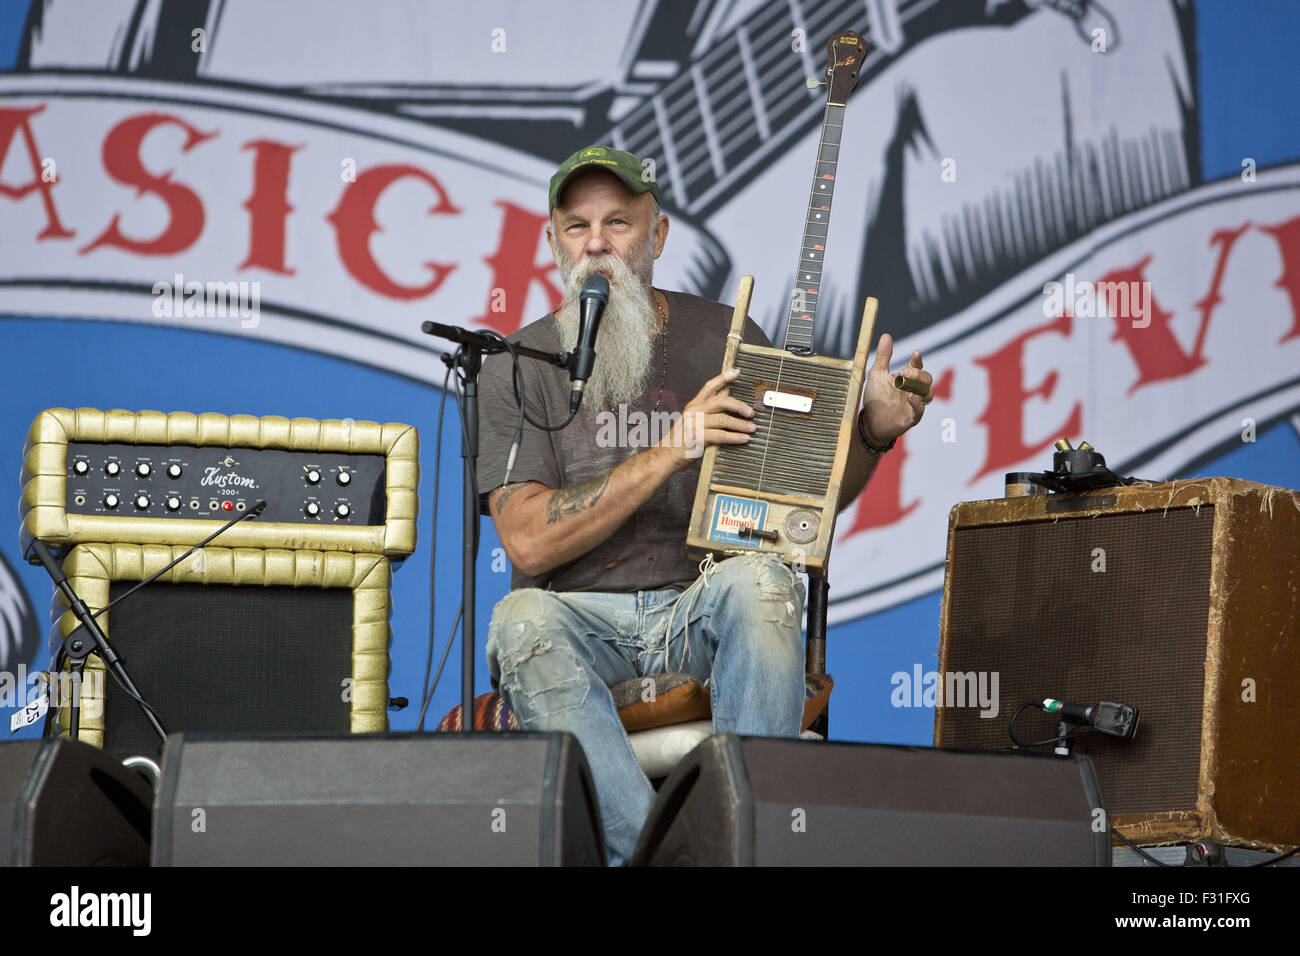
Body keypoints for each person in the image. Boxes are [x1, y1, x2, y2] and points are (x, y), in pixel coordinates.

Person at [476, 145, 932, 865]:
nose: (596, 242)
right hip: (583, 622)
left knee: (762, 580)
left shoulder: (725, 338)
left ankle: (742, 843)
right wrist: (671, 449)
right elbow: (529, 544)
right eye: (576, 226)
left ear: (656, 237)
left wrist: (873, 434)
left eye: (618, 223)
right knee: (518, 616)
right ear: (552, 242)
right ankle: (670, 857)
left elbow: (795, 510)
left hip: (699, 611)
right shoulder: (514, 363)